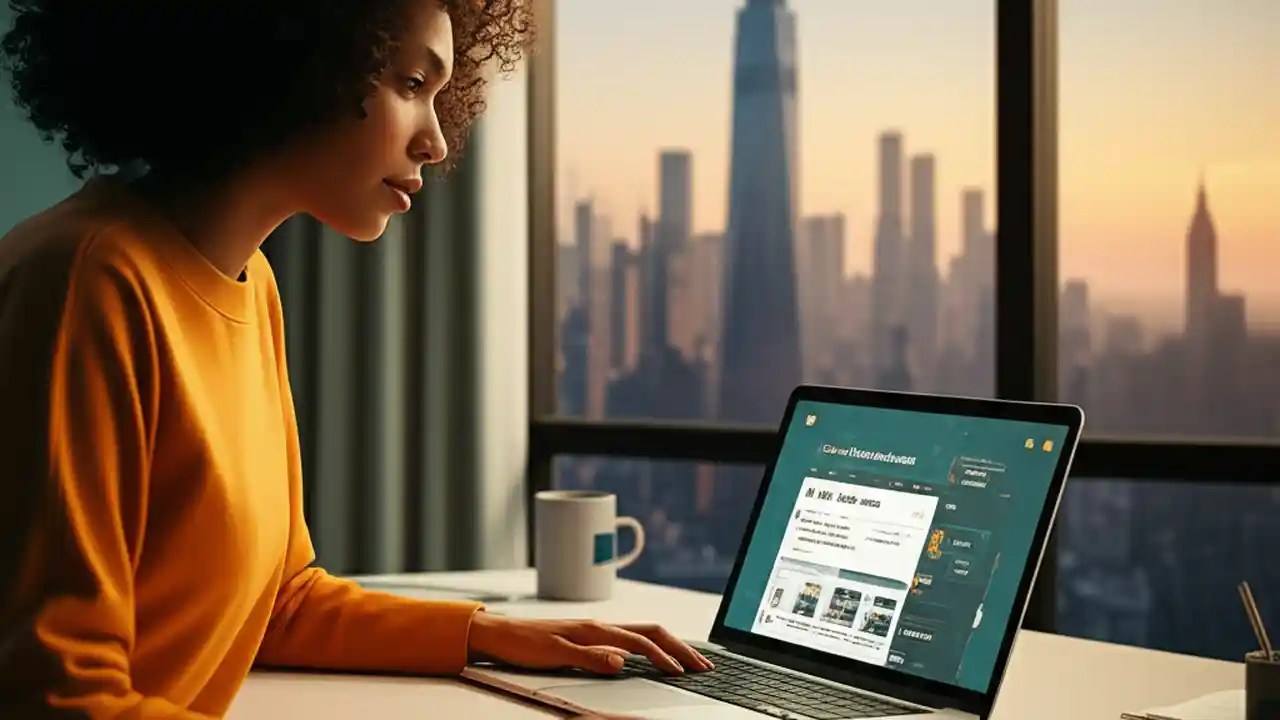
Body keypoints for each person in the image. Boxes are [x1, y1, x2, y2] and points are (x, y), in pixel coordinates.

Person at [0, 0, 711, 716]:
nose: (436, 141)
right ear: (294, 66)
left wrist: (493, 635)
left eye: (440, 97)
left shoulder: (252, 286)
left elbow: (282, 601)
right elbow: (58, 699)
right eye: (410, 84)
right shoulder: (85, 283)